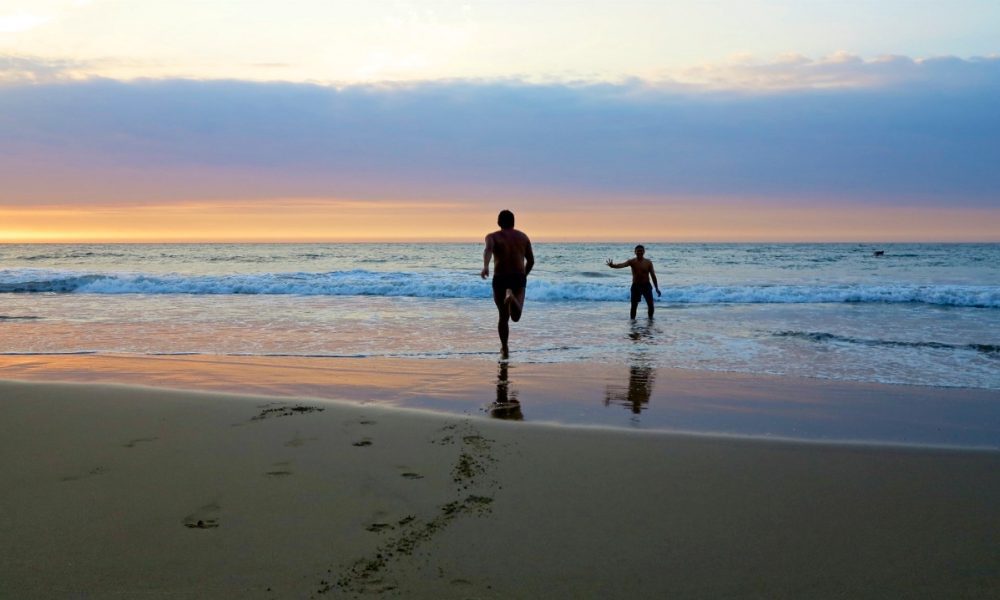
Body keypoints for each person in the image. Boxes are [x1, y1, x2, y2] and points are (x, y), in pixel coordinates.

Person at [481, 210, 534, 357]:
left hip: (500, 278)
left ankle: (504, 348)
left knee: (503, 317)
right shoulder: (523, 237)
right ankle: (511, 296)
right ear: (513, 222)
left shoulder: (492, 236)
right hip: (518, 277)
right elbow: (531, 260)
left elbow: (488, 250)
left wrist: (485, 266)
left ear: (498, 222)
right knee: (516, 317)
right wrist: (524, 276)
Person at [606, 245, 661, 319]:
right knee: (634, 306)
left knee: (651, 305)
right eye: (638, 251)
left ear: (644, 252)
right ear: (635, 252)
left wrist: (656, 288)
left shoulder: (648, 262)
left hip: (646, 286)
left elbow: (653, 276)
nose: (639, 252)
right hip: (636, 286)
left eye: (641, 251)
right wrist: (613, 266)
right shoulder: (632, 261)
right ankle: (633, 322)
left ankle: (650, 321)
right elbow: (622, 265)